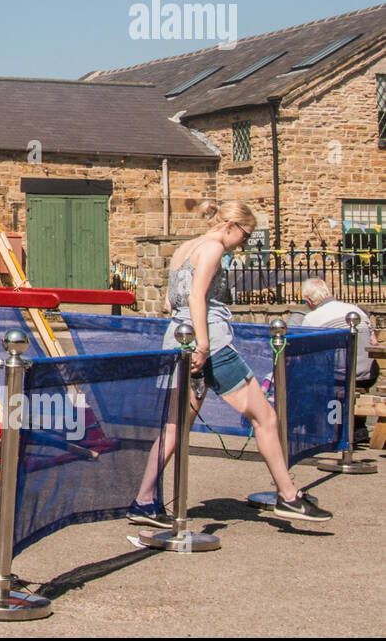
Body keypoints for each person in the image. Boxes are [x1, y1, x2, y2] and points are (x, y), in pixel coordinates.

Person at [130, 199, 331, 523]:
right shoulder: (212, 249)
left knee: (173, 427)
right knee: (265, 417)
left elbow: (169, 303)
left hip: (177, 339)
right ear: (230, 226)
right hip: (210, 343)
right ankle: (289, 496)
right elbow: (196, 296)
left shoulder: (184, 249)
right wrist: (205, 343)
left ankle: (143, 501)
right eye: (246, 236)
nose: (245, 244)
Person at [300, 277, 378, 445]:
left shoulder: (312, 318)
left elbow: (306, 352)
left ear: (308, 301)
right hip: (367, 374)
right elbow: (374, 342)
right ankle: (358, 428)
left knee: (309, 373)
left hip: (339, 376)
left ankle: (321, 428)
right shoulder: (356, 310)